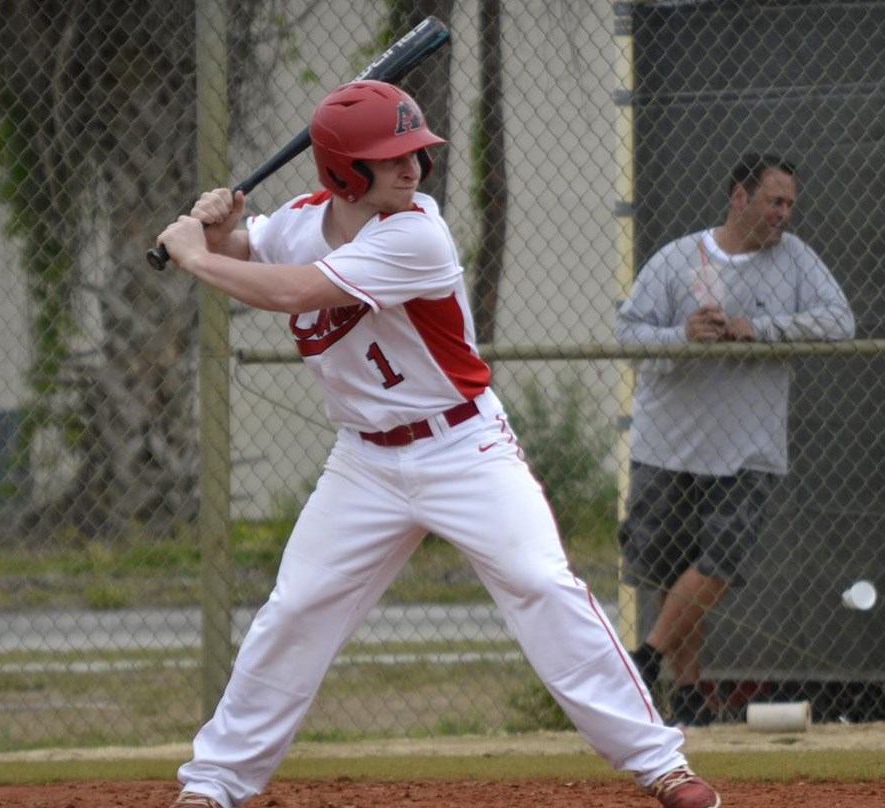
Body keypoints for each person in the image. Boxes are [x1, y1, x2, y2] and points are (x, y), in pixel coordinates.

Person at [155, 80, 719, 808]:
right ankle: (214, 785)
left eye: (417, 151)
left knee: (542, 583)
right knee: (296, 609)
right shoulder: (298, 221)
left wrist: (195, 255)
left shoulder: (416, 232)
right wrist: (212, 226)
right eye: (391, 157)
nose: (414, 167)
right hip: (364, 460)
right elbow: (247, 245)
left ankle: (661, 764)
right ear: (341, 173)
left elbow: (290, 291)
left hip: (462, 447)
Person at [616, 154, 855, 727]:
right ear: (739, 197)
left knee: (719, 562)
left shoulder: (795, 260)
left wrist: (763, 329)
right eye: (774, 201)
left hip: (749, 446)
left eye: (790, 204)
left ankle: (643, 662)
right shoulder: (677, 259)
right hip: (668, 442)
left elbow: (840, 321)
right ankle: (691, 698)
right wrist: (683, 335)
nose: (784, 215)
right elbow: (628, 333)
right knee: (672, 572)